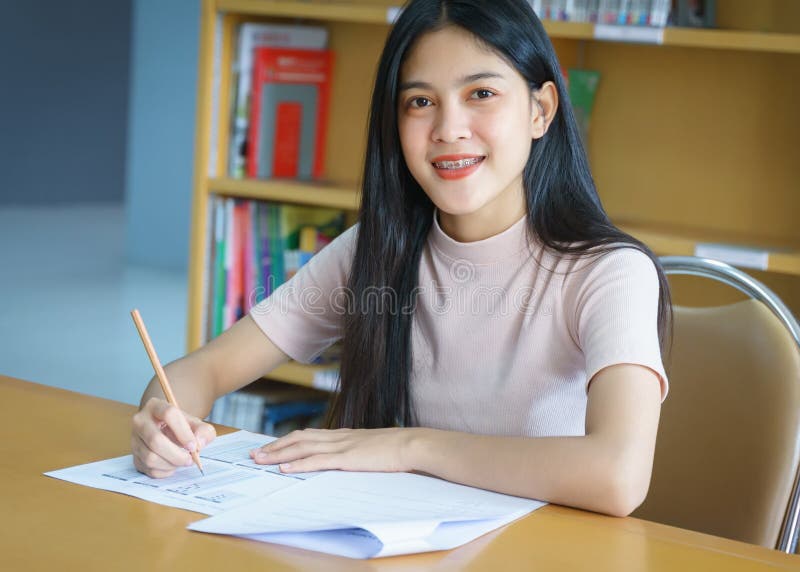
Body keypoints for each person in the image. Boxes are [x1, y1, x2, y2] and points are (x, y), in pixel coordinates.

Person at [132, 0, 671, 517]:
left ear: (541, 110)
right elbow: (201, 371)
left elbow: (618, 475)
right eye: (420, 101)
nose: (448, 128)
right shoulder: (373, 252)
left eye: (480, 92)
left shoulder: (608, 274)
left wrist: (411, 448)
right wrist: (164, 420)